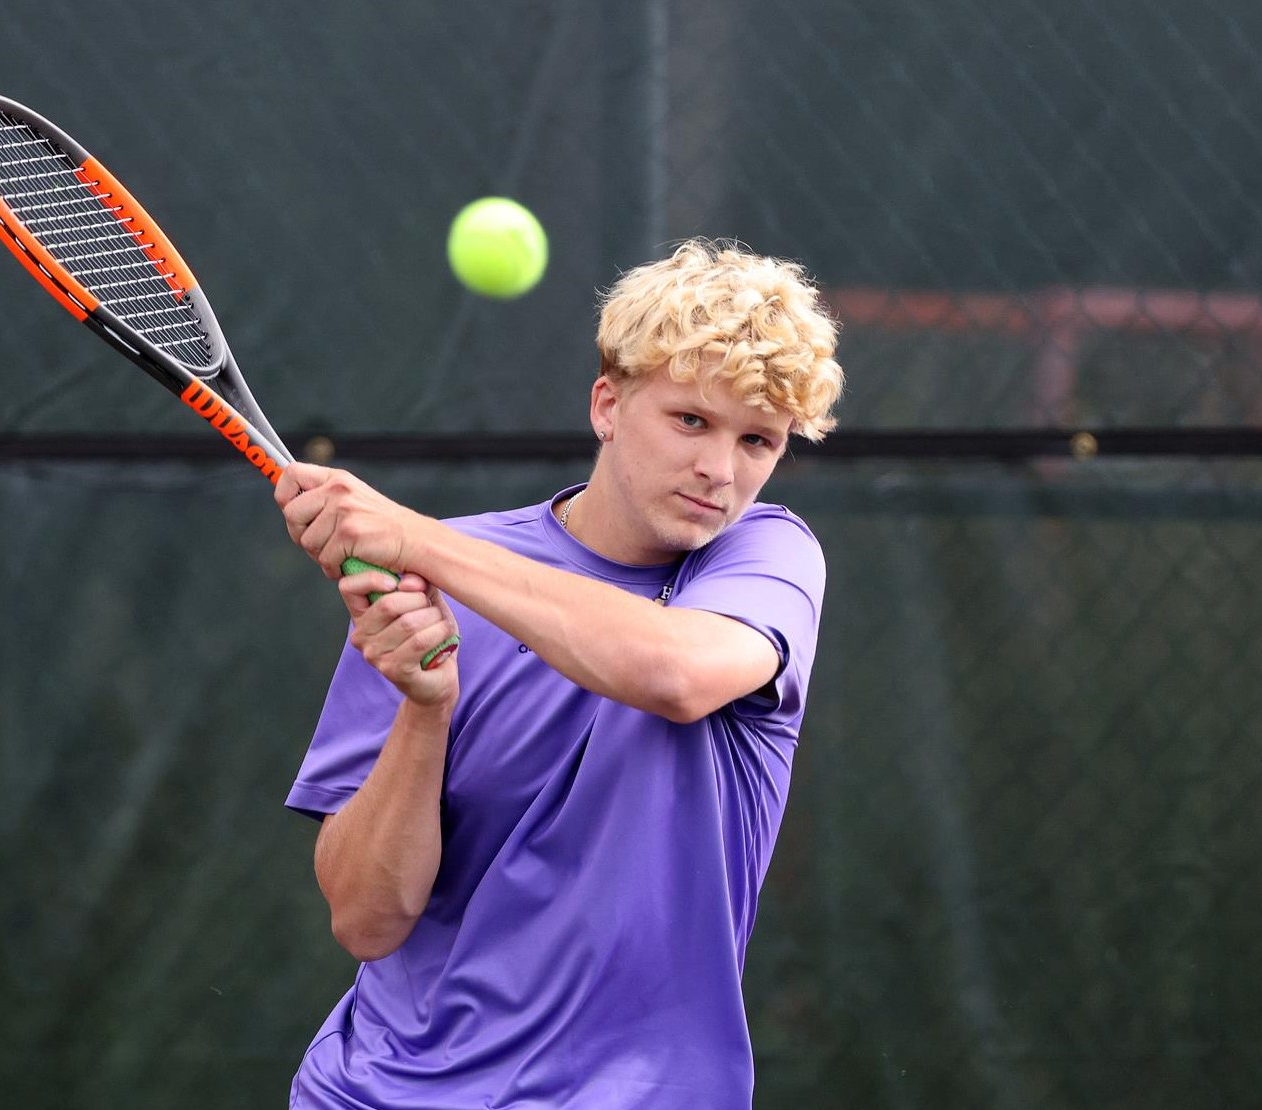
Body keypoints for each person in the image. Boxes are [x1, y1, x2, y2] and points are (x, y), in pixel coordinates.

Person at [274, 239, 844, 1108]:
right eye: (690, 420)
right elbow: (364, 920)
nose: (719, 471)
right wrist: (423, 713)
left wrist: (417, 537)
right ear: (607, 405)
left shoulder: (766, 558)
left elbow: (675, 674)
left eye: (756, 440)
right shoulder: (437, 588)